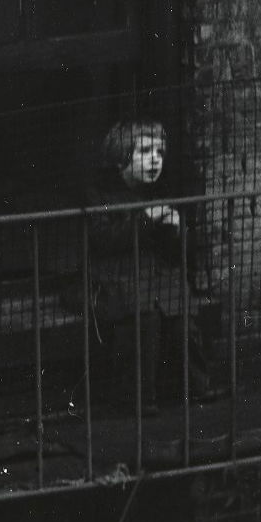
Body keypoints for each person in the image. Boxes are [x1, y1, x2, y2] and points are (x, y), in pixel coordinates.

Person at [76, 119, 217, 414]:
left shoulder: (158, 192)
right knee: (144, 315)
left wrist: (177, 230)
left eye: (159, 152)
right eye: (144, 151)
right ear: (121, 158)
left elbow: (177, 252)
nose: (155, 159)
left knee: (180, 312)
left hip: (153, 276)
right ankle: (137, 398)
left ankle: (196, 387)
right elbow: (101, 240)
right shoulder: (99, 194)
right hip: (113, 279)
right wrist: (144, 220)